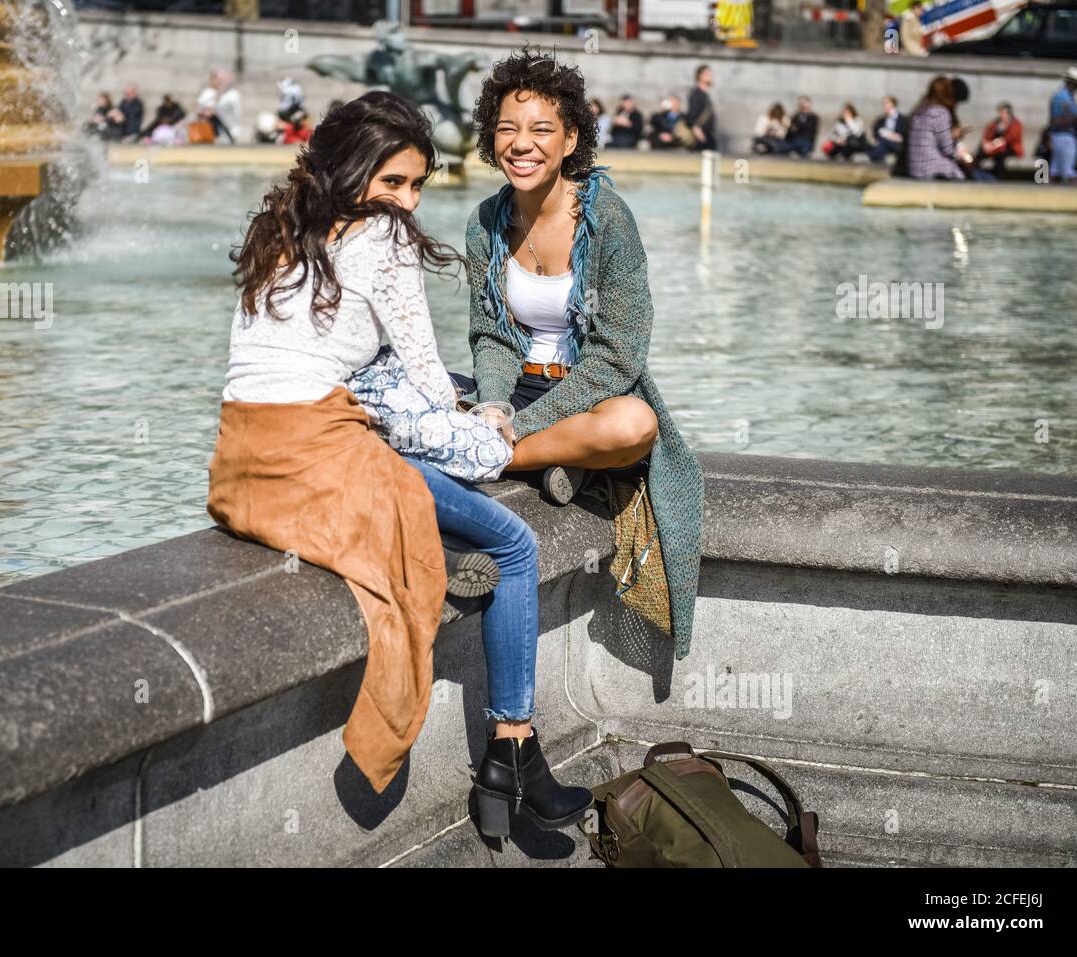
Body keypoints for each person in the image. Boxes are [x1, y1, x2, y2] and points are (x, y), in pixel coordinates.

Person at [209, 91, 560, 809]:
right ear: (352, 170)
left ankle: (441, 544)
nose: (407, 200)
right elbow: (429, 384)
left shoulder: (281, 227)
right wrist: (488, 420)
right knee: (517, 544)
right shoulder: (385, 240)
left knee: (414, 459)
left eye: (418, 184)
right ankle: (511, 750)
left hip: (241, 464)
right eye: (394, 181)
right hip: (320, 458)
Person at [456, 50, 706, 752]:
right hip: (519, 398)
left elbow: (620, 356)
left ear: (570, 140)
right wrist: (496, 403)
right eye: (508, 128)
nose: (522, 144)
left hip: (590, 393)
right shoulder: (485, 222)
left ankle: (507, 460)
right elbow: (490, 334)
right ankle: (544, 463)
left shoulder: (610, 220)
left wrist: (515, 429)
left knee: (636, 424)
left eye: (541, 128)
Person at [906, 75, 965, 180]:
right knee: (962, 176)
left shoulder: (918, 110)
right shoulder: (940, 112)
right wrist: (954, 137)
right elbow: (948, 150)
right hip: (931, 168)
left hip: (914, 167)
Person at [1050, 67, 1077, 183]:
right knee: (1068, 173)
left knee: (1056, 171)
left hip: (1062, 135)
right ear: (1073, 83)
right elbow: (1057, 120)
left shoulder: (1064, 96)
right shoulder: (1063, 97)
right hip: (1064, 136)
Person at [977, 101, 1023, 179]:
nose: (1001, 114)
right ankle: (975, 173)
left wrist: (996, 144)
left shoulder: (1015, 123)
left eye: (1003, 112)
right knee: (980, 151)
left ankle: (999, 178)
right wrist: (986, 144)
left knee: (1000, 155)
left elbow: (1011, 138)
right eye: (1000, 112)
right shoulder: (996, 123)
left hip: (1009, 148)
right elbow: (987, 134)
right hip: (994, 147)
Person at [196, 69, 243, 144]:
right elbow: (201, 110)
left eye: (223, 79)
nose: (221, 82)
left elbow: (237, 113)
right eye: (219, 79)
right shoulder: (207, 92)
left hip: (230, 131)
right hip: (213, 133)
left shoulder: (233, 94)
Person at [867, 95, 908, 163]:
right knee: (882, 144)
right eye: (883, 103)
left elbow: (905, 133)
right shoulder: (881, 119)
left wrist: (897, 137)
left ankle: (874, 157)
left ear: (892, 104)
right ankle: (878, 161)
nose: (884, 105)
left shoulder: (902, 119)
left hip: (897, 144)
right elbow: (876, 131)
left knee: (881, 144)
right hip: (885, 143)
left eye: (886, 103)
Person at [685, 64, 716, 150]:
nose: (711, 77)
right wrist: (700, 136)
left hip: (708, 136)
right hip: (700, 138)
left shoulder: (705, 95)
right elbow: (692, 117)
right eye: (708, 74)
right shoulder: (696, 94)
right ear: (700, 76)